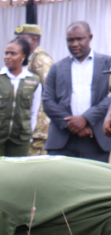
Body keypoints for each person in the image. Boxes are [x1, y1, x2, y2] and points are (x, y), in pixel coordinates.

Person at [42, 22, 111, 162]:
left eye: (80, 39)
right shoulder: (57, 67)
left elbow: (109, 97)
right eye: (70, 40)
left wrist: (85, 119)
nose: (74, 44)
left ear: (90, 37)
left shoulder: (108, 63)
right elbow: (48, 101)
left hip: (95, 138)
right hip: (62, 140)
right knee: (60, 182)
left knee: (94, 182)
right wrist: (70, 124)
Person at [0, 38, 42, 158]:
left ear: (23, 56)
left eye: (13, 54)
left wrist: (29, 131)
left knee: (17, 172)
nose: (7, 57)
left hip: (21, 138)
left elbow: (34, 112)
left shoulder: (34, 80)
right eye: (6, 53)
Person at [16, 24, 55, 155]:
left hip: (40, 126)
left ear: (34, 39)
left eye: (21, 39)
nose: (17, 42)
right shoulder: (29, 58)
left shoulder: (41, 60)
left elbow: (52, 89)